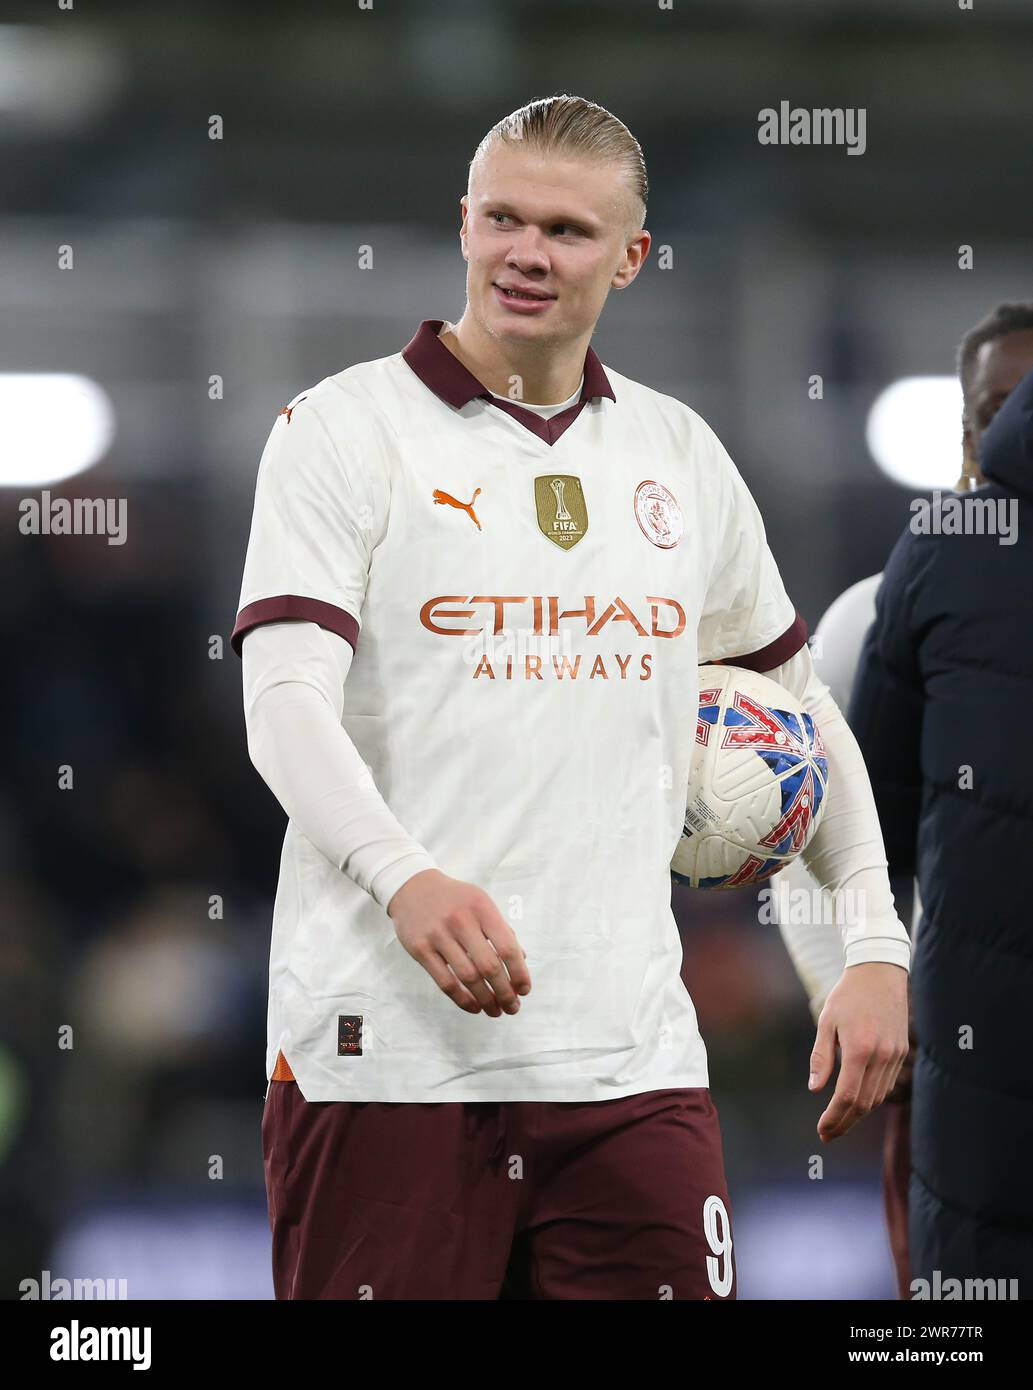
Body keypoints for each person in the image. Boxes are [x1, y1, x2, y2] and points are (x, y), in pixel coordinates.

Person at [231, 94, 909, 1301]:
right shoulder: (341, 432)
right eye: (501, 218)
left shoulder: (677, 454)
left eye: (567, 230)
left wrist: (869, 946)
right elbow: (282, 703)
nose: (526, 254)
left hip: (630, 1063)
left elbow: (801, 714)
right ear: (463, 225)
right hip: (384, 1062)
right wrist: (407, 876)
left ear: (632, 257)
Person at [775, 302, 1033, 1298]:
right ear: (969, 436)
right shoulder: (868, 616)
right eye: (997, 409)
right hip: (939, 1064)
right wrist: (860, 999)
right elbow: (826, 845)